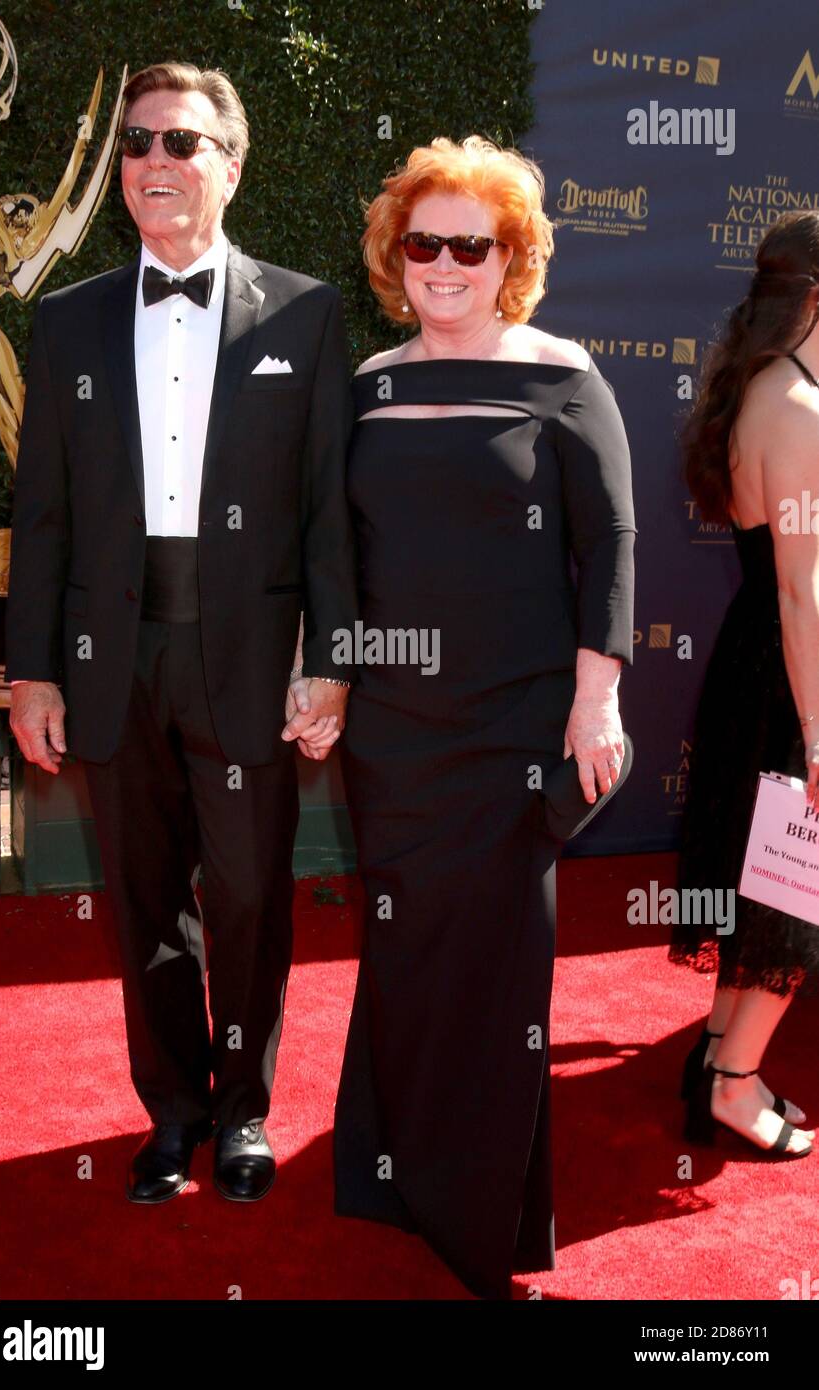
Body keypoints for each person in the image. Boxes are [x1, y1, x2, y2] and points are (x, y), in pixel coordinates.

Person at [5, 62, 357, 1205]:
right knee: (144, 899)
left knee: (250, 895)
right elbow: (43, 518)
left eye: (182, 142)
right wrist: (31, 674)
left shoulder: (304, 314)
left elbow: (324, 515)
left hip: (247, 659)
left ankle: (245, 1110)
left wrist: (331, 659)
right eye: (140, 143)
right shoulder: (66, 321)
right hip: (114, 660)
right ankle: (172, 1111)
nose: (157, 161)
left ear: (230, 165)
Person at [332, 135, 636, 1299]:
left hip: (515, 725)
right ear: (394, 254)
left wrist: (595, 695)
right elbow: (336, 557)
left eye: (473, 243)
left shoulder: (561, 374)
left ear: (510, 256)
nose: (446, 263)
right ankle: (388, 1171)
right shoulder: (367, 385)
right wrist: (329, 673)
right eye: (426, 242)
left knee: (501, 967)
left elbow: (606, 544)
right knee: (404, 947)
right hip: (395, 729)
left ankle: (480, 1211)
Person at [672, 210, 819, 1159]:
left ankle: (725, 1050)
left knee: (763, 878)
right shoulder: (798, 409)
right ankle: (731, 1085)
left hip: (753, 658)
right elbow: (808, 590)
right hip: (792, 670)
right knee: (796, 884)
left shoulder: (756, 389)